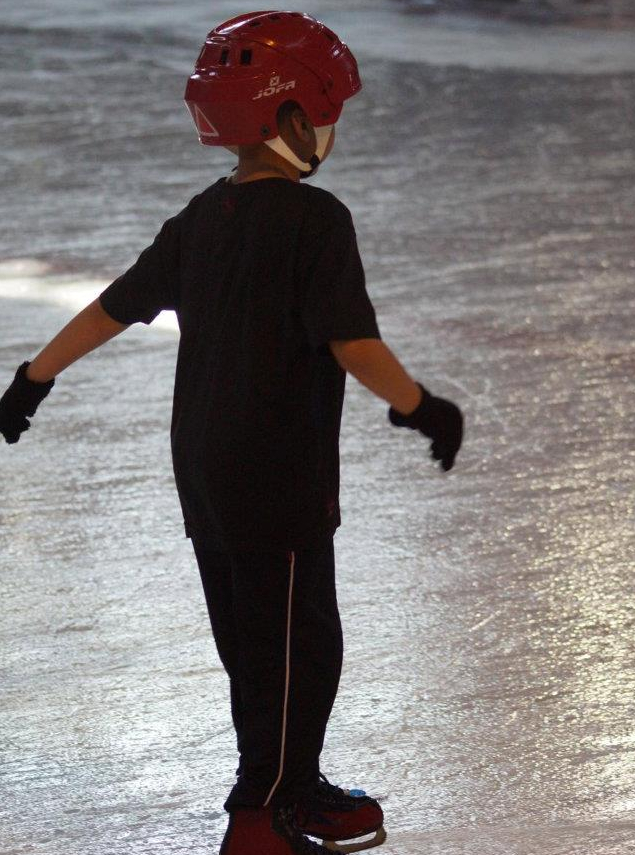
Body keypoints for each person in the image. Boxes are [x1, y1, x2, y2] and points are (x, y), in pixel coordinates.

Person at [0, 10, 463, 855]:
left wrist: (34, 377)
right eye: (327, 112)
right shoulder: (316, 221)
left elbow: (114, 306)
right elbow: (351, 343)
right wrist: (420, 405)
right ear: (290, 117)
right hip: (277, 473)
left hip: (205, 473)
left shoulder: (200, 219)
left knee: (252, 640)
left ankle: (292, 780)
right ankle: (262, 812)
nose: (331, 131)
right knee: (303, 647)